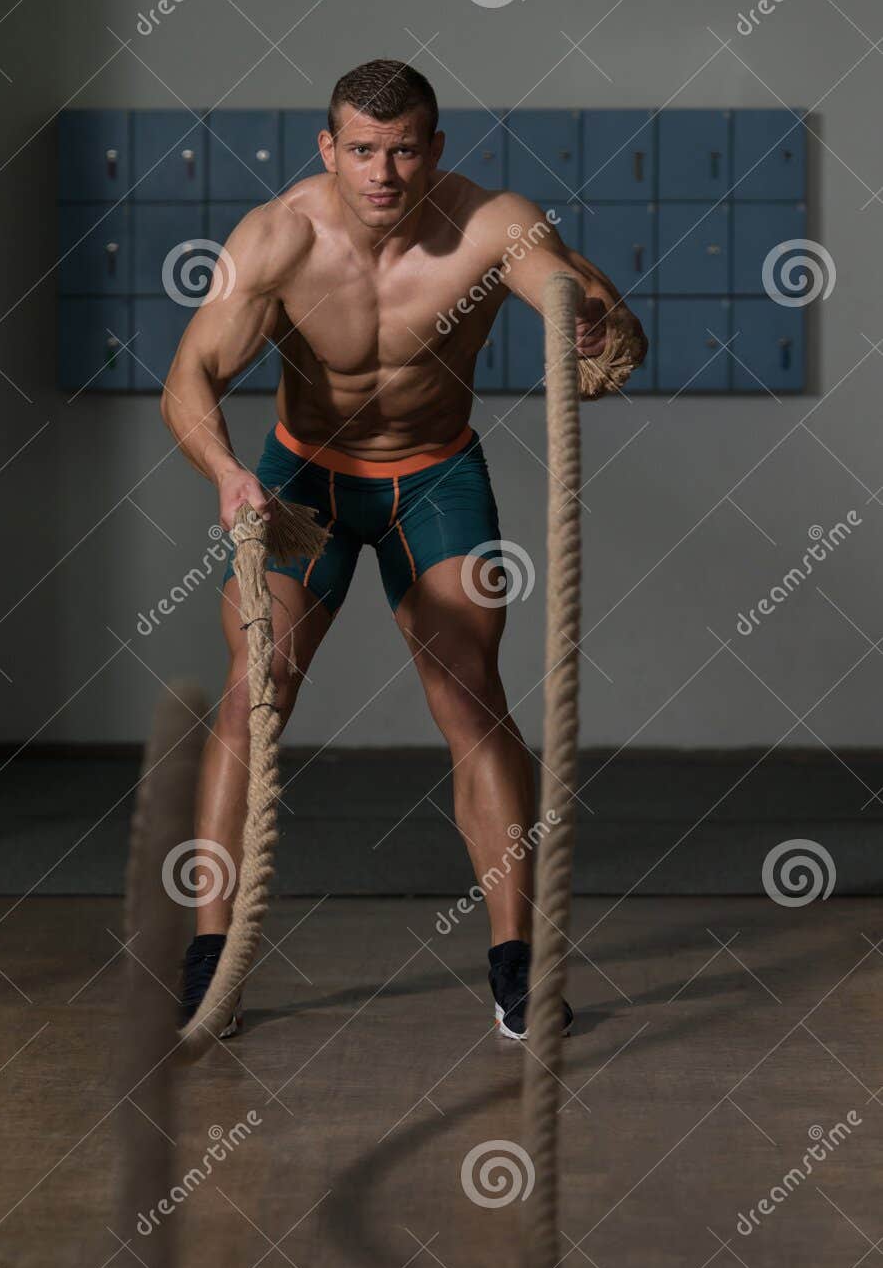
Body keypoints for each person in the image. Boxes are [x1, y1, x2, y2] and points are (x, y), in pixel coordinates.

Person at [160, 59, 646, 1041]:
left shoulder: (490, 225)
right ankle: (213, 956)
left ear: (434, 147)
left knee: (470, 694)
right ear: (328, 149)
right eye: (364, 151)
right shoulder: (279, 237)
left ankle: (519, 966)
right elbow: (189, 374)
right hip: (303, 485)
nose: (384, 172)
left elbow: (593, 314)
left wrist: (588, 314)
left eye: (406, 149)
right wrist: (226, 473)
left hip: (433, 479)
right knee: (257, 687)